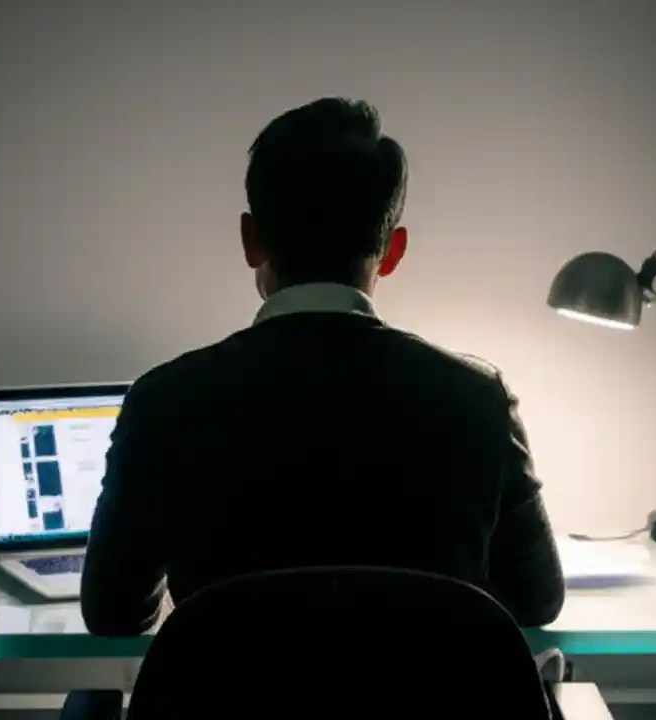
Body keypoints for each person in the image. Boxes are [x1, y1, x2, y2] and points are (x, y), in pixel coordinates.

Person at [79, 97, 565, 636]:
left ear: (250, 239)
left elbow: (114, 613)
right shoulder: (477, 398)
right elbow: (536, 601)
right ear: (392, 251)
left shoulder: (163, 401)